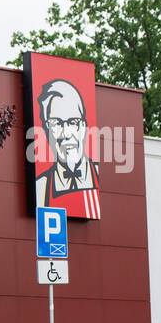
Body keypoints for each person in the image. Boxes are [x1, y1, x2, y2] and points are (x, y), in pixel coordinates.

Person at [33, 78, 101, 220]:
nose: (66, 133)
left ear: (83, 127)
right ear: (46, 130)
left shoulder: (100, 177)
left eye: (73, 122)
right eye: (56, 123)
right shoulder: (40, 188)